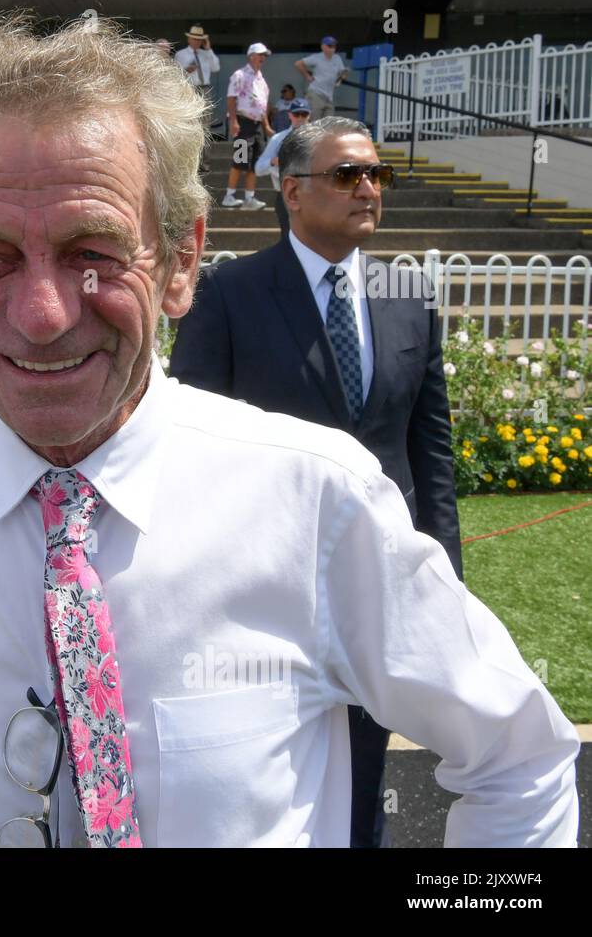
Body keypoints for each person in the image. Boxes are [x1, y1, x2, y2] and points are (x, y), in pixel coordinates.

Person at [0, 16, 578, 848]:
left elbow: (519, 760)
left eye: (94, 252)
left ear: (181, 262)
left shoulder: (317, 503)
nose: (45, 313)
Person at [170, 116, 465, 847]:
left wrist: (446, 581)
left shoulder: (410, 296)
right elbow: (186, 442)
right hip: (262, 587)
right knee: (266, 771)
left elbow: (431, 456)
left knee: (367, 770)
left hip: (380, 583)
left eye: (377, 175)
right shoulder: (230, 293)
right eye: (347, 175)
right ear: (292, 191)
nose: (368, 188)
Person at [223, 42, 273, 210]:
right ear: (251, 55)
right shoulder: (239, 75)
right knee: (240, 159)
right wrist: (233, 121)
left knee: (255, 162)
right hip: (243, 123)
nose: (262, 58)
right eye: (260, 55)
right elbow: (231, 98)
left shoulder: (262, 80)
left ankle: (249, 198)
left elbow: (263, 106)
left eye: (264, 55)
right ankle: (229, 196)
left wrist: (266, 126)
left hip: (257, 125)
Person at [254, 97, 310, 235]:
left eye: (304, 114)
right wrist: (273, 163)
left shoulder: (319, 141)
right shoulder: (278, 139)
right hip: (286, 195)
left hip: (311, 195)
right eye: (297, 114)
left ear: (309, 116)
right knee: (288, 237)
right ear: (290, 115)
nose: (301, 118)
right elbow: (258, 169)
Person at [295, 36, 347, 121]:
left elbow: (342, 72)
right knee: (314, 123)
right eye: (330, 46)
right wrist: (307, 76)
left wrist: (341, 78)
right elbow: (298, 64)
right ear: (323, 47)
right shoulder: (317, 57)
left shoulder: (337, 58)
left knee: (328, 123)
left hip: (329, 96)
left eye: (334, 46)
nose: (332, 49)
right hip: (316, 94)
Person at [173, 24, 219, 92]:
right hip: (189, 88)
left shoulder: (207, 54)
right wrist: (186, 71)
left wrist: (208, 49)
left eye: (199, 39)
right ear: (189, 39)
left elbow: (216, 68)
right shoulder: (180, 54)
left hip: (205, 89)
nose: (197, 41)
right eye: (194, 39)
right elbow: (175, 74)